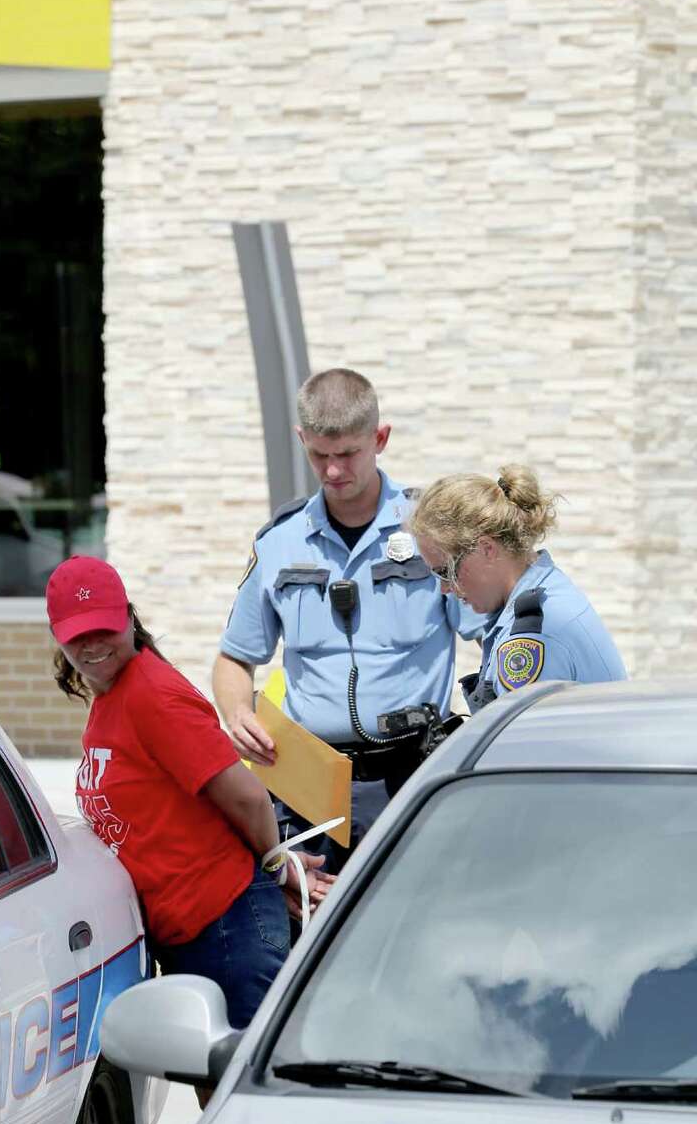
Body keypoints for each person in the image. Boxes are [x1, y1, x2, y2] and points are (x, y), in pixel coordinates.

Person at [46, 554, 332, 1046]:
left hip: (223, 924)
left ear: (129, 619)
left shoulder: (151, 694)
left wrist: (275, 863)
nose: (92, 646)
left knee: (244, 1099)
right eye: (77, 635)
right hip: (193, 929)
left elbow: (246, 796)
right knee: (217, 1090)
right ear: (58, 636)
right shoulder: (114, 695)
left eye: (104, 629)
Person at [213, 368, 483, 862]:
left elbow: (491, 630)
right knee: (314, 927)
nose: (333, 471)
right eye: (320, 455)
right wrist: (237, 714)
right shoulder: (279, 541)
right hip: (308, 780)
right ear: (301, 439)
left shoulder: (431, 527)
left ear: (380, 438)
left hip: (412, 772)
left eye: (348, 454)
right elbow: (235, 657)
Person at [407, 465, 627, 706]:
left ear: (486, 549)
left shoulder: (537, 632)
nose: (445, 588)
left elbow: (523, 743)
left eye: (446, 572)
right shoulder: (542, 594)